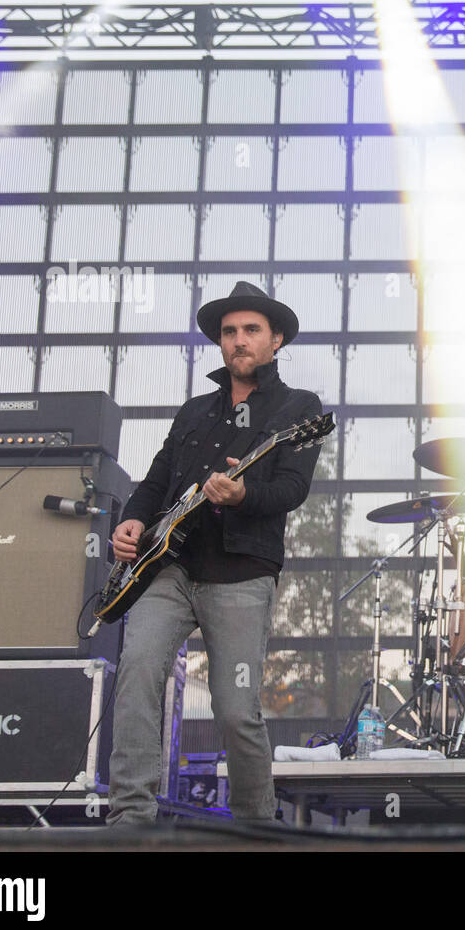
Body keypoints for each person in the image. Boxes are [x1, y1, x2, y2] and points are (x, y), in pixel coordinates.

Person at [106, 282, 323, 825]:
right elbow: (156, 479)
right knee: (136, 671)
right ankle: (128, 820)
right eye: (230, 332)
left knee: (234, 709)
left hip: (242, 574)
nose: (239, 341)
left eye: (251, 330)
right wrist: (133, 518)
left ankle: (257, 824)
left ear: (276, 340)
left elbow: (292, 491)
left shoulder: (299, 409)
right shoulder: (194, 411)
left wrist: (244, 493)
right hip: (168, 568)